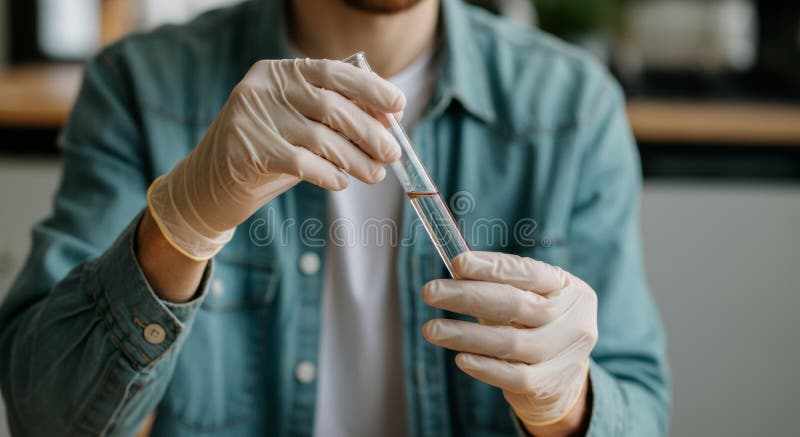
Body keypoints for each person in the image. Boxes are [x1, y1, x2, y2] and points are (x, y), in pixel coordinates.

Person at [0, 0, 670, 435]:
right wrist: (183, 221)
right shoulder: (140, 86)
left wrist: (566, 406)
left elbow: (639, 407)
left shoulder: (573, 107)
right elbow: (46, 417)